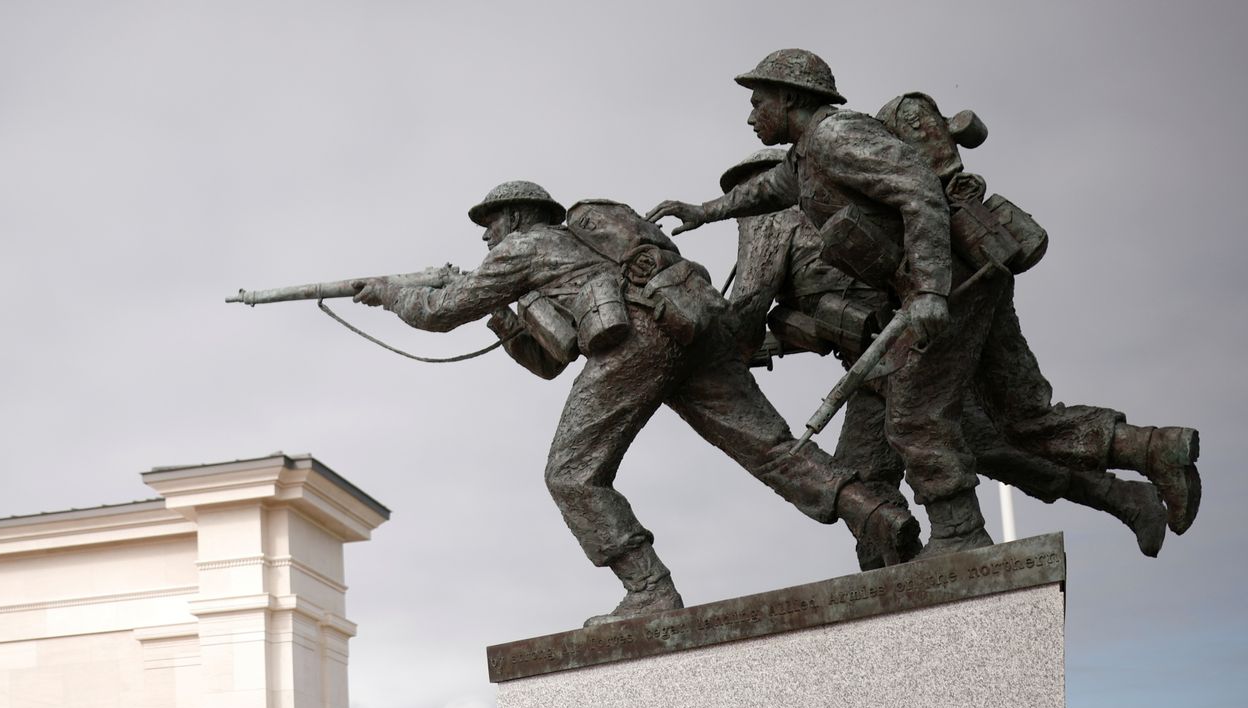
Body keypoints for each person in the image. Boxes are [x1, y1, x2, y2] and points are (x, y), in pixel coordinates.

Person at [351, 180, 920, 625]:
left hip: (638, 341)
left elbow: (440, 313)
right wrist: (503, 315)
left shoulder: (525, 246)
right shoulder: (579, 249)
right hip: (688, 326)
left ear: (521, 217)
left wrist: (392, 294)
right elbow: (550, 360)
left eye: (491, 223)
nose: (485, 237)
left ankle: (649, 590)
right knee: (769, 448)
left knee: (572, 476)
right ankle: (874, 512)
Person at [718, 148, 1174, 561]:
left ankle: (919, 574)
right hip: (888, 361)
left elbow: (746, 311)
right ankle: (1122, 497)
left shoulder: (768, 222)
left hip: (895, 360)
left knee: (881, 484)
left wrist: (715, 346)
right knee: (926, 466)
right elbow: (830, 311)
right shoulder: (830, 210)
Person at [650, 49, 992, 556]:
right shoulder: (807, 154)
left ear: (789, 97)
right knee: (1012, 425)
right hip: (931, 294)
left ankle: (962, 538)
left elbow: (918, 190)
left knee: (917, 420)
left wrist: (928, 290)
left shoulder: (835, 136)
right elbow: (768, 190)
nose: (750, 115)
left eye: (757, 101)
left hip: (948, 288)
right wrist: (704, 212)